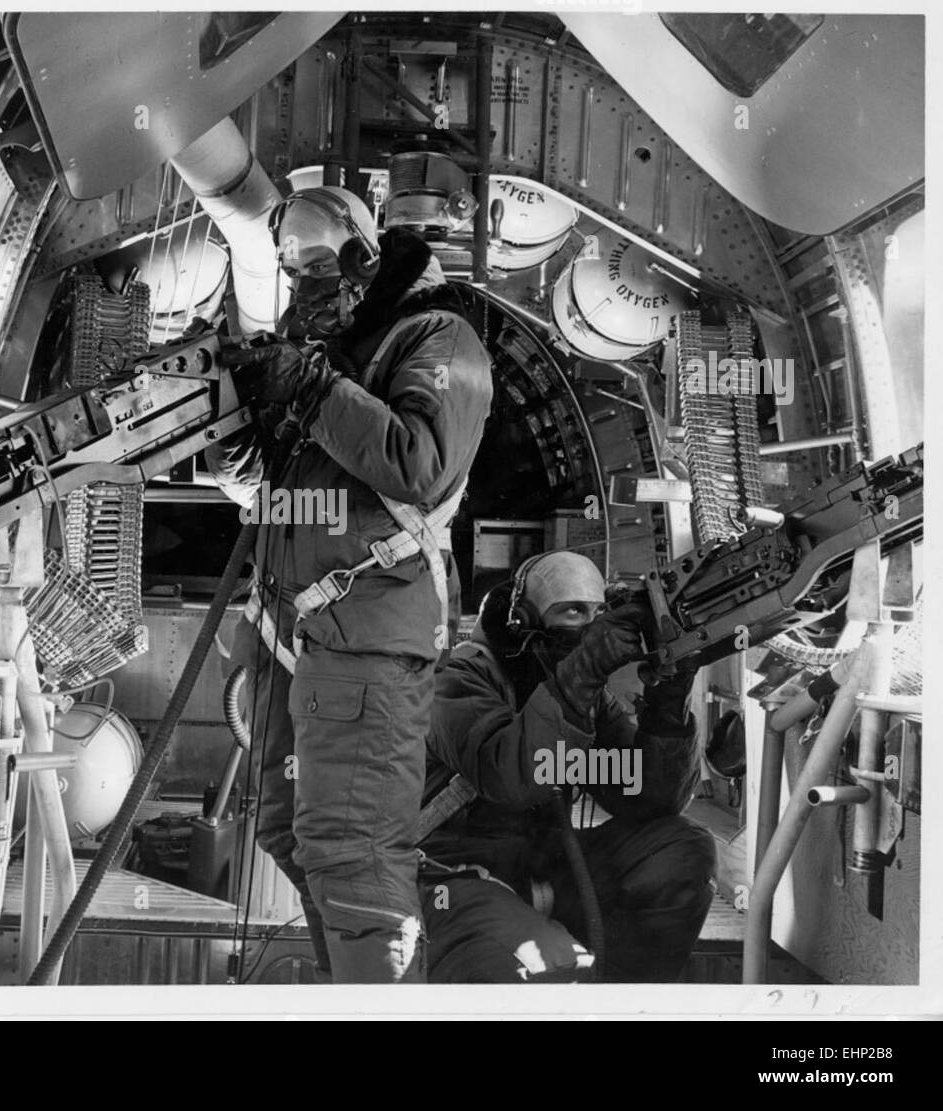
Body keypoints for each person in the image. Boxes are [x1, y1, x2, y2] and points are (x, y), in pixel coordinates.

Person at [207, 185, 493, 982]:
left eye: (319, 263)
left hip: (367, 647)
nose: (305, 283)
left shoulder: (440, 337)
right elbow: (287, 486)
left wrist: (309, 387)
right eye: (292, 269)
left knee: (354, 858)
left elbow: (417, 465)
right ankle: (352, 980)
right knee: (286, 832)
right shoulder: (332, 360)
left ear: (367, 256)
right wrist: (240, 429)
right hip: (291, 639)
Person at [418, 550, 716, 982]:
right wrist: (582, 673)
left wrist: (670, 697)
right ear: (523, 619)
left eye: (599, 611)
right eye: (573, 610)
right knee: (544, 964)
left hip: (543, 867)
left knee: (682, 849)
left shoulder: (584, 693)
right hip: (457, 877)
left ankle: (625, 1007)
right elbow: (516, 777)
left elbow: (652, 797)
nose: (591, 624)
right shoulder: (455, 682)